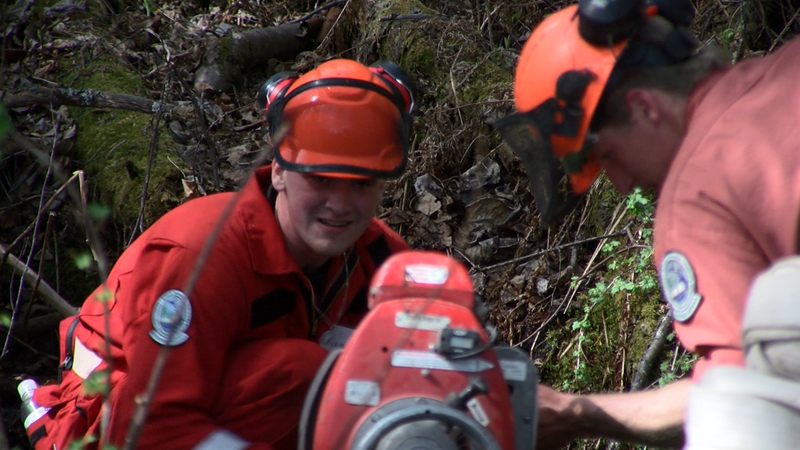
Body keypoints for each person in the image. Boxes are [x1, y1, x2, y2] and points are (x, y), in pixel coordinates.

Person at [25, 59, 416, 450]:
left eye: (361, 184)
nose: (340, 205)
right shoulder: (202, 256)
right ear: (279, 171)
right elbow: (149, 427)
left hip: (221, 418)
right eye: (320, 179)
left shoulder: (381, 258)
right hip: (110, 424)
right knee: (302, 373)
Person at [494, 0, 800, 448]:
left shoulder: (696, 197)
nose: (621, 185)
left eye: (607, 156)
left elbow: (739, 396)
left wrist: (575, 412)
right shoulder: (787, 65)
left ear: (644, 107)